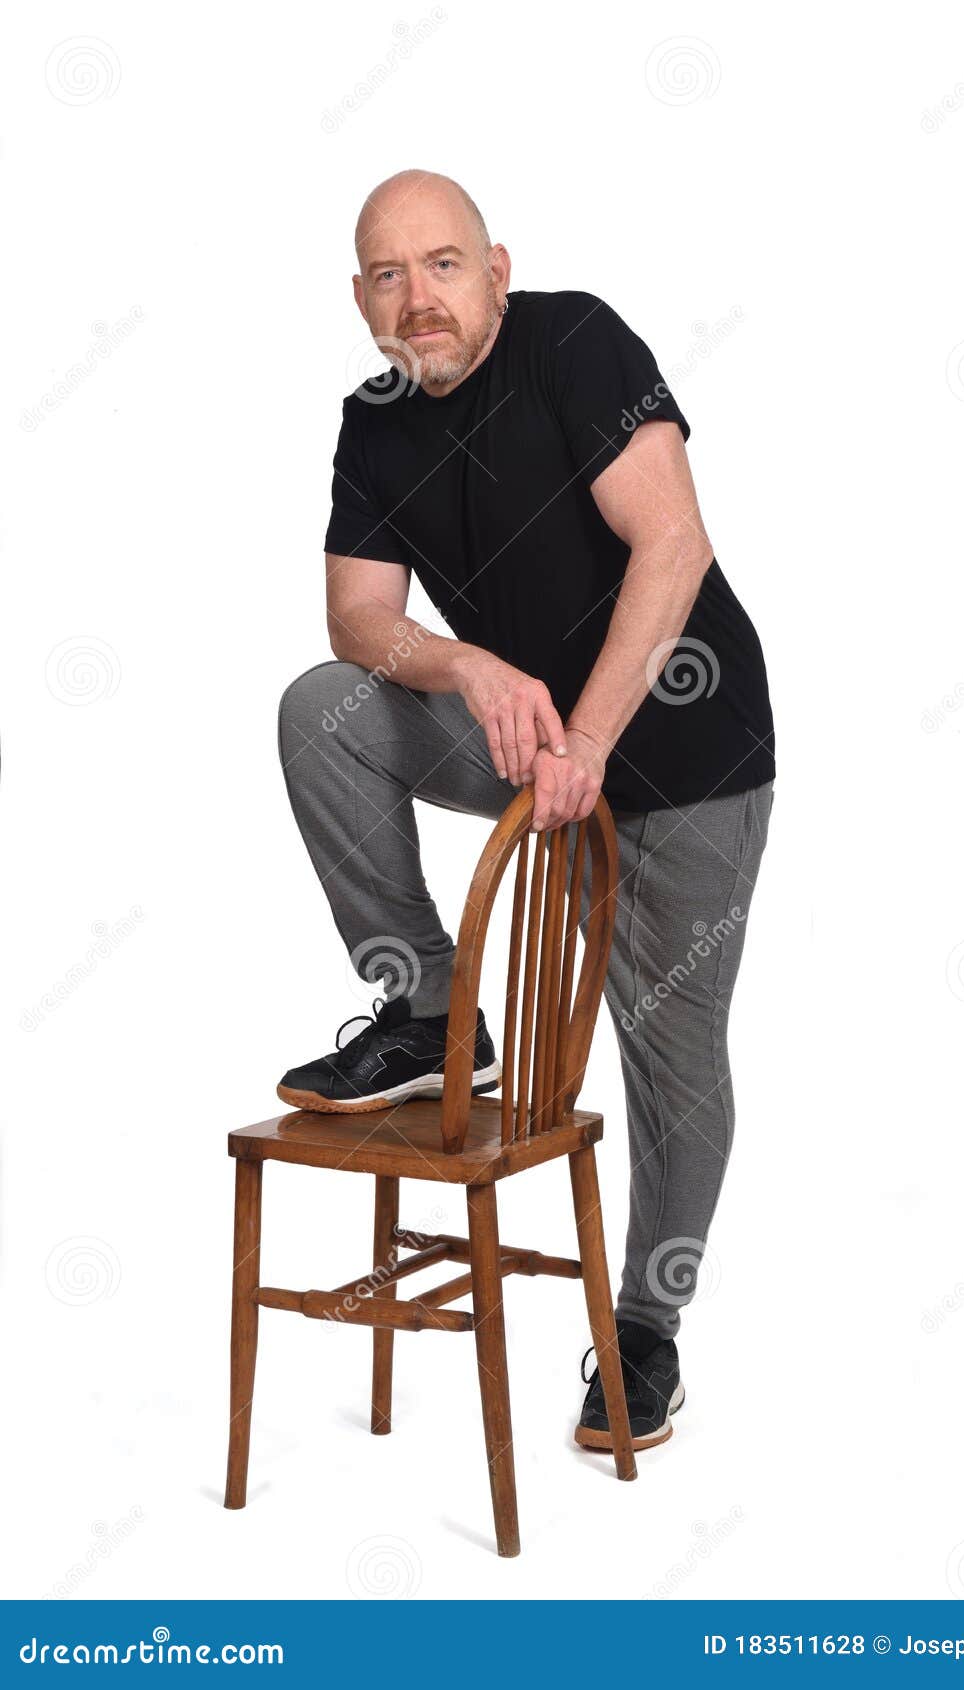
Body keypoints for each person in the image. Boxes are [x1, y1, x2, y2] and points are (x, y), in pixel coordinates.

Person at [277, 169, 775, 1453]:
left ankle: (645, 1332)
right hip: (530, 734)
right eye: (388, 276)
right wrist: (467, 665)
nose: (417, 298)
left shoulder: (572, 341)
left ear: (495, 268)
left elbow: (672, 544)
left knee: (670, 1055)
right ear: (360, 298)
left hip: (682, 748)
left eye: (441, 265)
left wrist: (593, 736)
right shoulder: (373, 419)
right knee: (324, 704)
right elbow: (358, 619)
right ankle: (436, 1008)